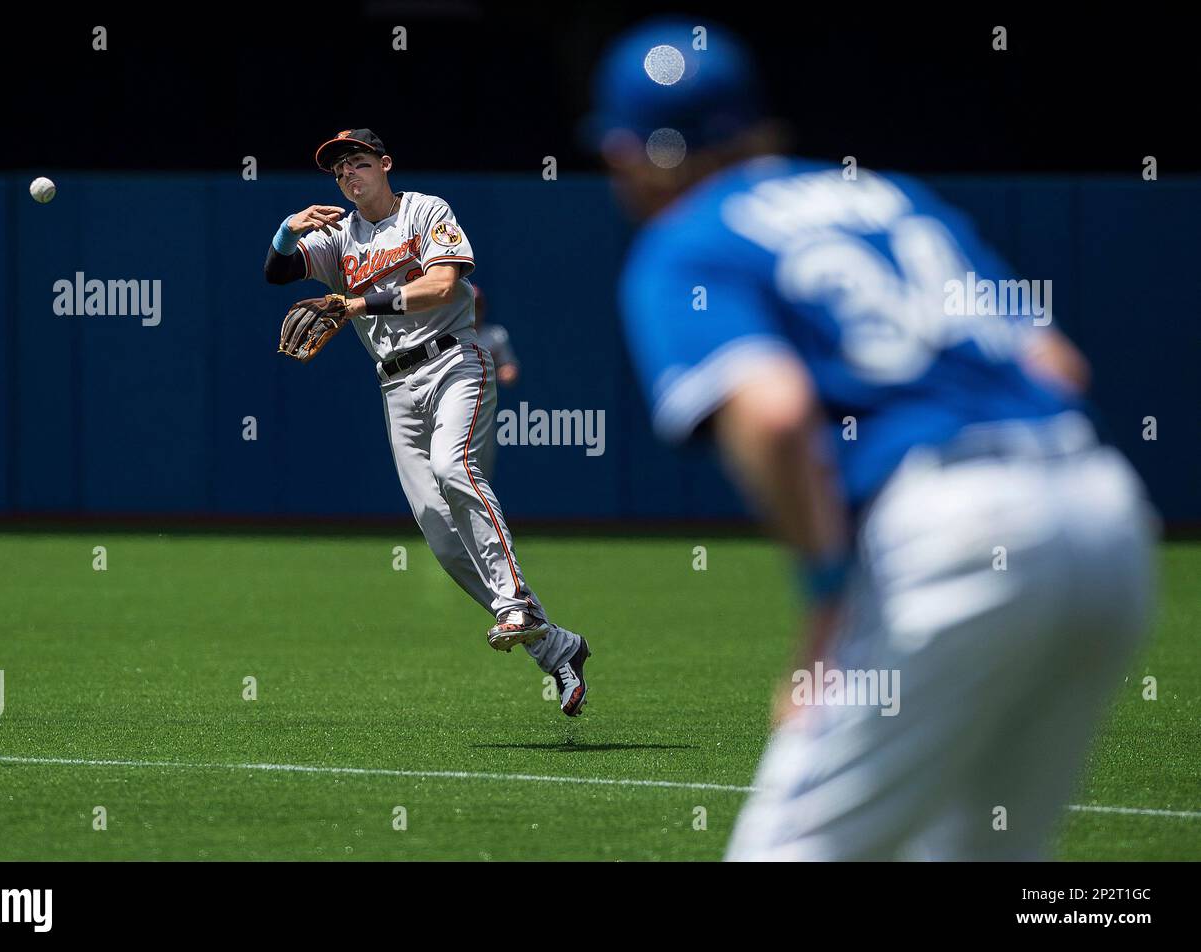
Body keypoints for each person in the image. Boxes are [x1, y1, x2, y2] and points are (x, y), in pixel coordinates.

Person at [590, 21, 1155, 858]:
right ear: (759, 128)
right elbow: (1059, 367)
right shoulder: (891, 199)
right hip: (1107, 518)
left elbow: (776, 414)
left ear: (631, 154)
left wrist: (828, 596)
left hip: (954, 532)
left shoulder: (688, 243)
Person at [263, 128, 590, 716]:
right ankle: (554, 645)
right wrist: (288, 230)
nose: (349, 176)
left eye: (359, 164)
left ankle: (514, 599)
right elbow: (278, 274)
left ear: (385, 164)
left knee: (453, 467)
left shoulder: (424, 210)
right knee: (440, 532)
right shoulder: (339, 239)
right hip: (394, 384)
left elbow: (444, 283)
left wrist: (355, 304)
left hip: (453, 360)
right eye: (339, 171)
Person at [471, 285, 520, 387]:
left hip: (484, 393)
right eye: (471, 306)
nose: (475, 311)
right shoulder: (451, 334)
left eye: (478, 306)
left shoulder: (496, 335)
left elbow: (508, 366)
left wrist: (507, 372)